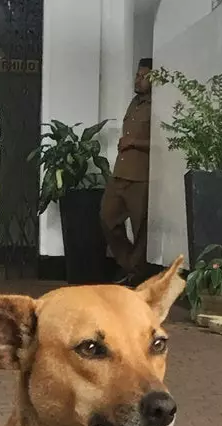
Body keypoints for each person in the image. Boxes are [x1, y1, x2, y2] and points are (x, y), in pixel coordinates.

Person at [100, 58, 152, 285]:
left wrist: (135, 142)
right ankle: (132, 265)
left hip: (141, 175)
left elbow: (161, 141)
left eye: (143, 77)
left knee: (141, 227)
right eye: (137, 75)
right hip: (120, 171)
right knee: (107, 216)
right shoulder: (134, 103)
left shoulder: (157, 105)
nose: (138, 80)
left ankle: (137, 273)